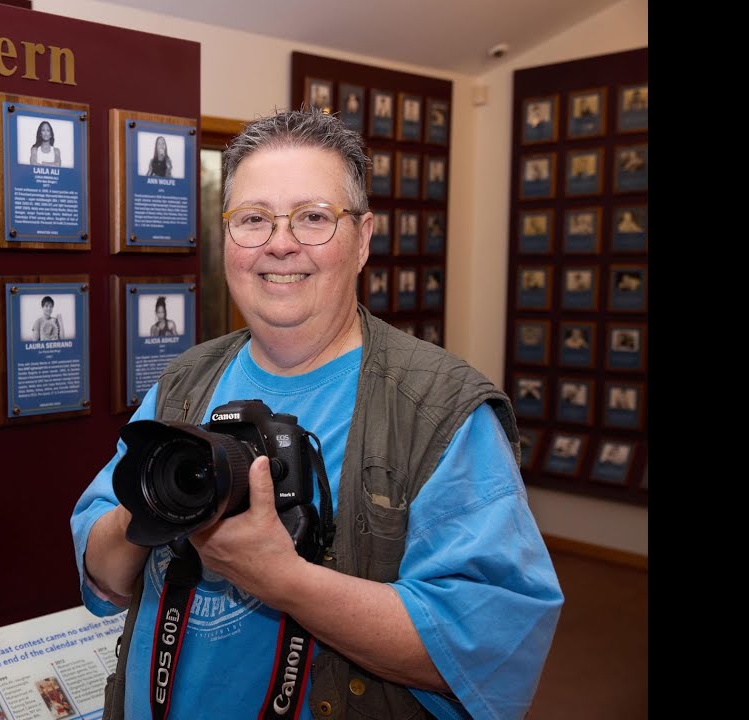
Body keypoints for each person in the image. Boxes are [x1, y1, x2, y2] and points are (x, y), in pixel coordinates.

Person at [71, 108, 562, 720]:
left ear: (363, 239)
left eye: (313, 217)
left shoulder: (438, 412)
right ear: (227, 237)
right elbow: (107, 575)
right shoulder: (183, 382)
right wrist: (158, 504)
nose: (280, 243)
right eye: (253, 218)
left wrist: (285, 580)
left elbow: (490, 649)